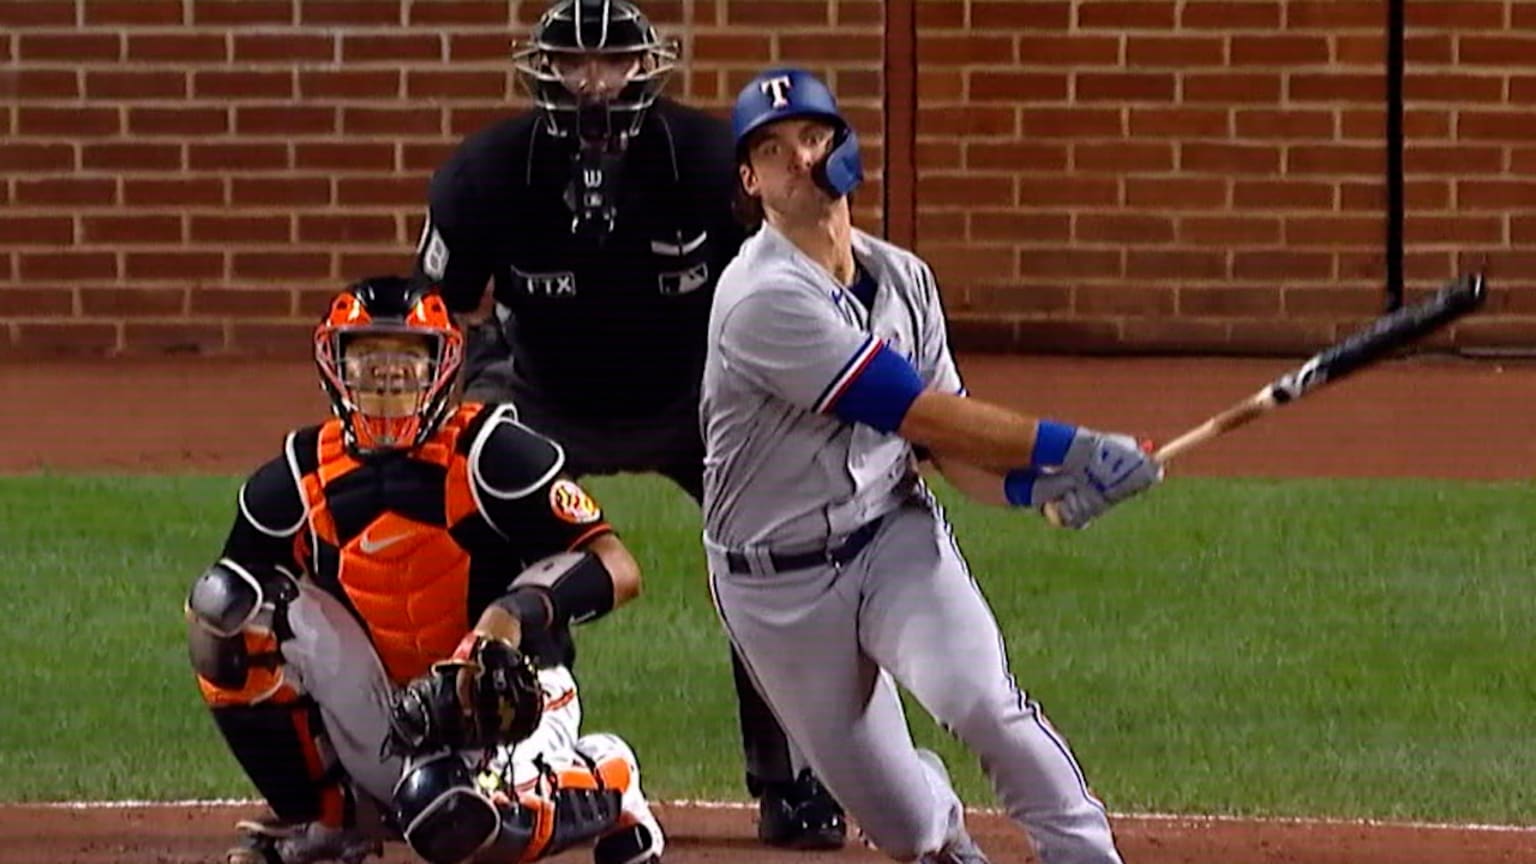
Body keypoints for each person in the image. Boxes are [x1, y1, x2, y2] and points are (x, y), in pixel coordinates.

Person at [700, 68, 1166, 864]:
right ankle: (941, 829)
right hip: (774, 588)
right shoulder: (760, 297)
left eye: (813, 137)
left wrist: (1036, 487)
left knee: (983, 701)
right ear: (752, 181)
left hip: (891, 539)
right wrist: (1073, 448)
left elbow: (946, 448)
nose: (799, 158)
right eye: (773, 151)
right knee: (908, 830)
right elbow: (914, 411)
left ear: (844, 150)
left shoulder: (906, 279)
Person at [411, 0, 844, 848]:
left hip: (697, 391)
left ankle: (791, 778)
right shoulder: (486, 172)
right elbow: (435, 317)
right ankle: (500, 759)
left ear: (649, 67)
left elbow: (803, 280)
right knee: (463, 517)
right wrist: (451, 441)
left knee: (775, 546)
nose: (593, 83)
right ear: (541, 69)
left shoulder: (716, 161)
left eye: (612, 63)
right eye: (575, 64)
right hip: (542, 389)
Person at [187, 275, 666, 864]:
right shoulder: (300, 471)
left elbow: (615, 566)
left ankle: (610, 776)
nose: (387, 376)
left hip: (503, 699)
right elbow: (224, 600)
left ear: (441, 366)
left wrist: (506, 619)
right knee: (228, 613)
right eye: (368, 358)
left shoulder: (490, 450)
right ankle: (330, 822)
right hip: (389, 710)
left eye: (406, 359)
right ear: (334, 365)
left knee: (462, 825)